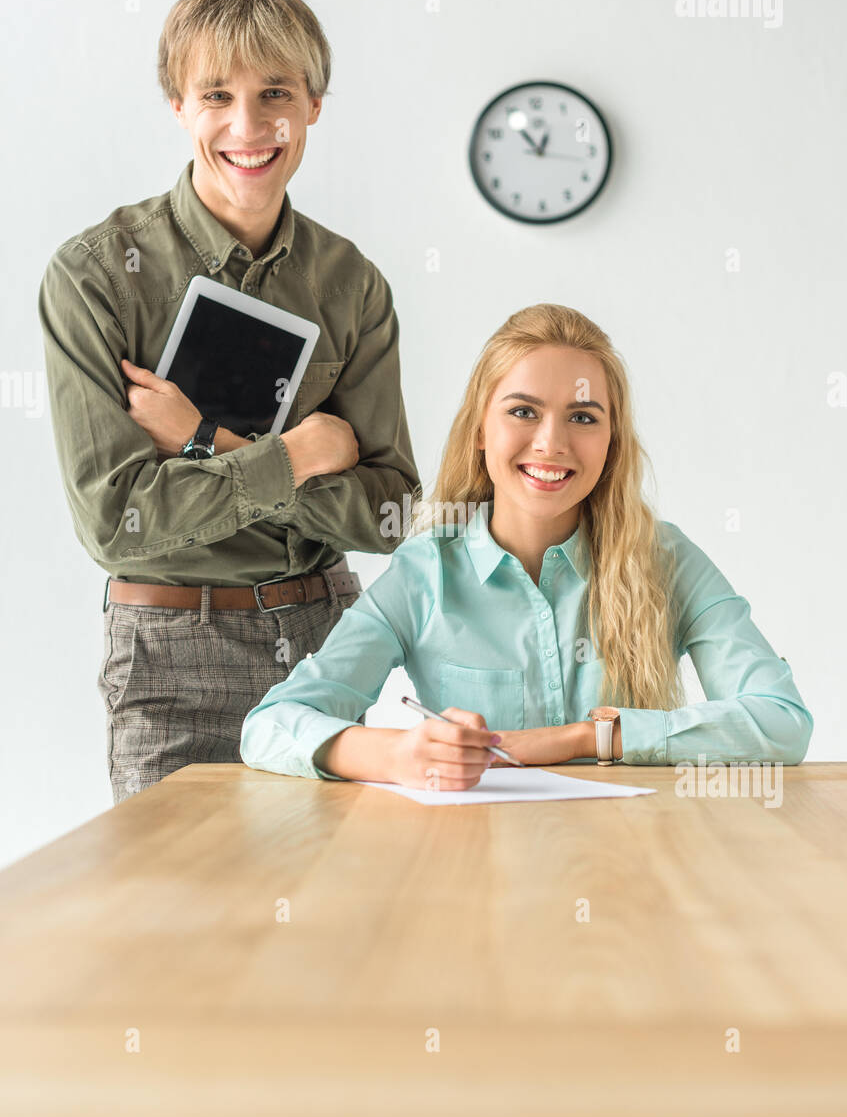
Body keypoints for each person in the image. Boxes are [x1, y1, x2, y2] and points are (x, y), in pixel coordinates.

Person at [38, 0, 420, 804]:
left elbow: (391, 515)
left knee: (329, 915)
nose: (248, 128)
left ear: (314, 104)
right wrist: (300, 457)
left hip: (326, 641)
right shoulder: (97, 276)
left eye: (274, 94)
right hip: (170, 644)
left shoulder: (351, 285)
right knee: (179, 917)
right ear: (179, 104)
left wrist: (212, 446)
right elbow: (118, 521)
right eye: (217, 95)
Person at [240, 303, 813, 790]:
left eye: (583, 417)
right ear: (481, 430)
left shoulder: (665, 557)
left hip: (631, 867)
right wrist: (397, 755)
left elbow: (782, 721)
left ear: (611, 443)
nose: (551, 443)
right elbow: (271, 725)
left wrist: (584, 738)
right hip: (478, 871)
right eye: (523, 411)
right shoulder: (426, 571)